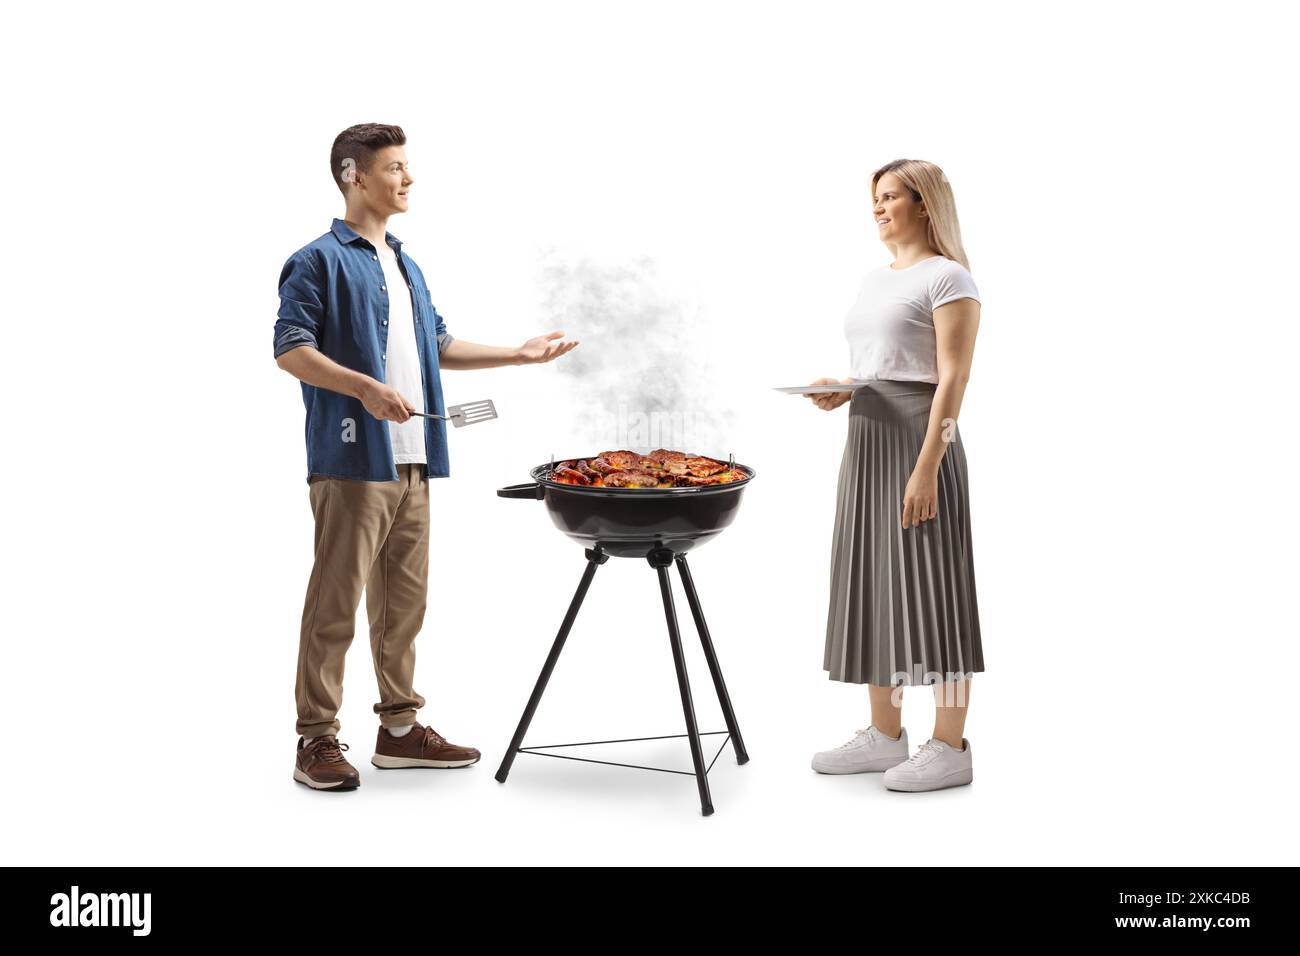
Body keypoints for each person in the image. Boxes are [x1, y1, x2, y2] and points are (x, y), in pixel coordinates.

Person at [273, 123, 579, 791]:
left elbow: (436, 345)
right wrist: (364, 388)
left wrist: (518, 353)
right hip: (352, 461)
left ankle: (401, 731)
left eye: (408, 168)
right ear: (354, 175)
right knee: (336, 603)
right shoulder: (317, 260)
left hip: (414, 461)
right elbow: (290, 349)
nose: (407, 179)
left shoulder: (406, 264)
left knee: (403, 606)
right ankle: (317, 739)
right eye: (394, 168)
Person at [808, 159, 984, 792]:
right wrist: (842, 389)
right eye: (874, 199)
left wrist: (928, 467)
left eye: (891, 197)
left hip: (918, 443)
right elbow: (883, 365)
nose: (878, 209)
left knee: (935, 586)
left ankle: (951, 744)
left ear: (925, 204)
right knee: (875, 579)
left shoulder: (950, 278)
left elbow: (953, 379)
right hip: (867, 441)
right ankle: (885, 736)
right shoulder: (873, 279)